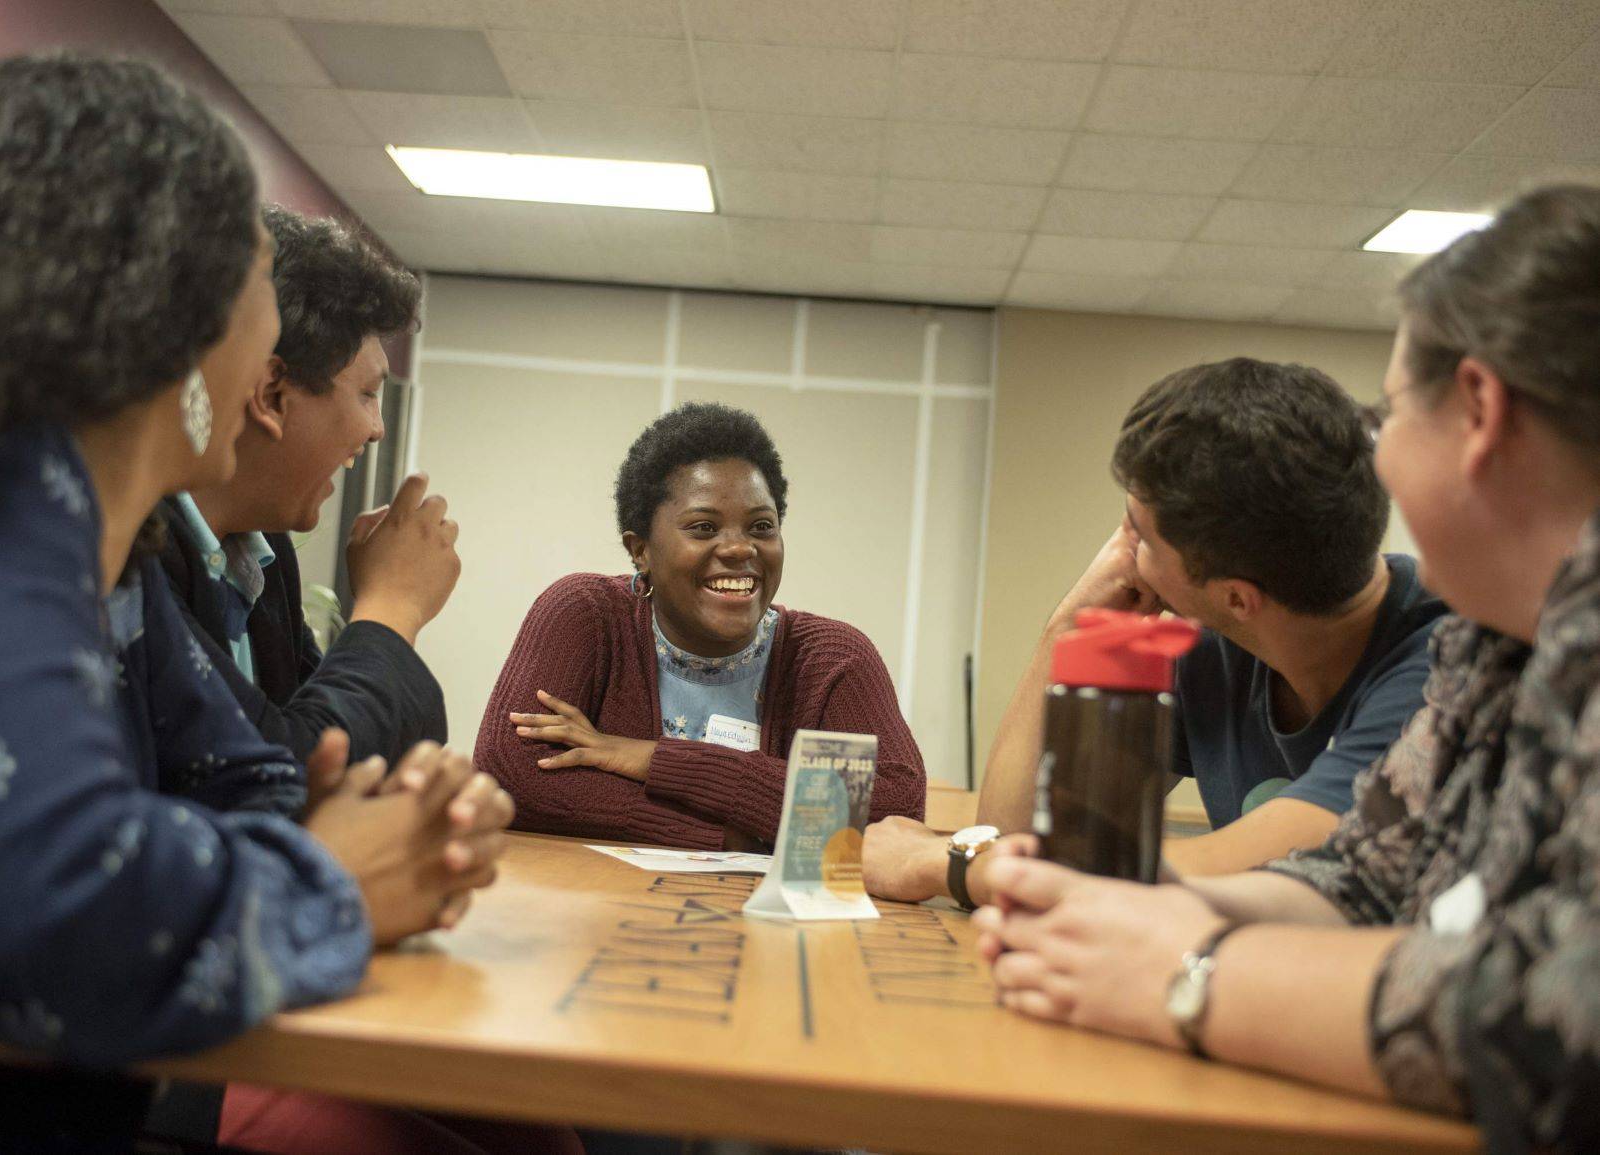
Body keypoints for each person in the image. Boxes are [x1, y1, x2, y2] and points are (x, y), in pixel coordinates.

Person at [0, 54, 506, 1154]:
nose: (269, 334)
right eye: (259, 280)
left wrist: (378, 827)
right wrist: (335, 878)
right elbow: (49, 911)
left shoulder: (107, 552)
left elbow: (237, 778)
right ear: (169, 310)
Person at [976, 184, 1600, 1151]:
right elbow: (1361, 878)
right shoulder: (1496, 643)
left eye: (1395, 415)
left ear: (1478, 410)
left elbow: (1564, 1011)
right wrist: (1129, 909)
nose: (1379, 462)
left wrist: (1190, 971)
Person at [865, 357, 1444, 905]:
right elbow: (1019, 829)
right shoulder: (1218, 643)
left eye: (1136, 533)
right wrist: (1067, 631)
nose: (1122, 555)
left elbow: (1207, 873)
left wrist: (940, 863)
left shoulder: (1445, 669)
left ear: (1237, 597)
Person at [476, 402, 927, 848]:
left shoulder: (834, 660)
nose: (738, 548)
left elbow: (895, 811)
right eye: (704, 527)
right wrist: (727, 834)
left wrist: (654, 760)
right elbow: (512, 775)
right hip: (601, 913)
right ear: (641, 551)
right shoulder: (585, 616)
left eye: (762, 526)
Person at [160, 204, 457, 766]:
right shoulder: (133, 550)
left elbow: (376, 764)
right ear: (271, 394)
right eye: (368, 394)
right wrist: (391, 607)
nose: (377, 430)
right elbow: (278, 776)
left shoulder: (263, 557)